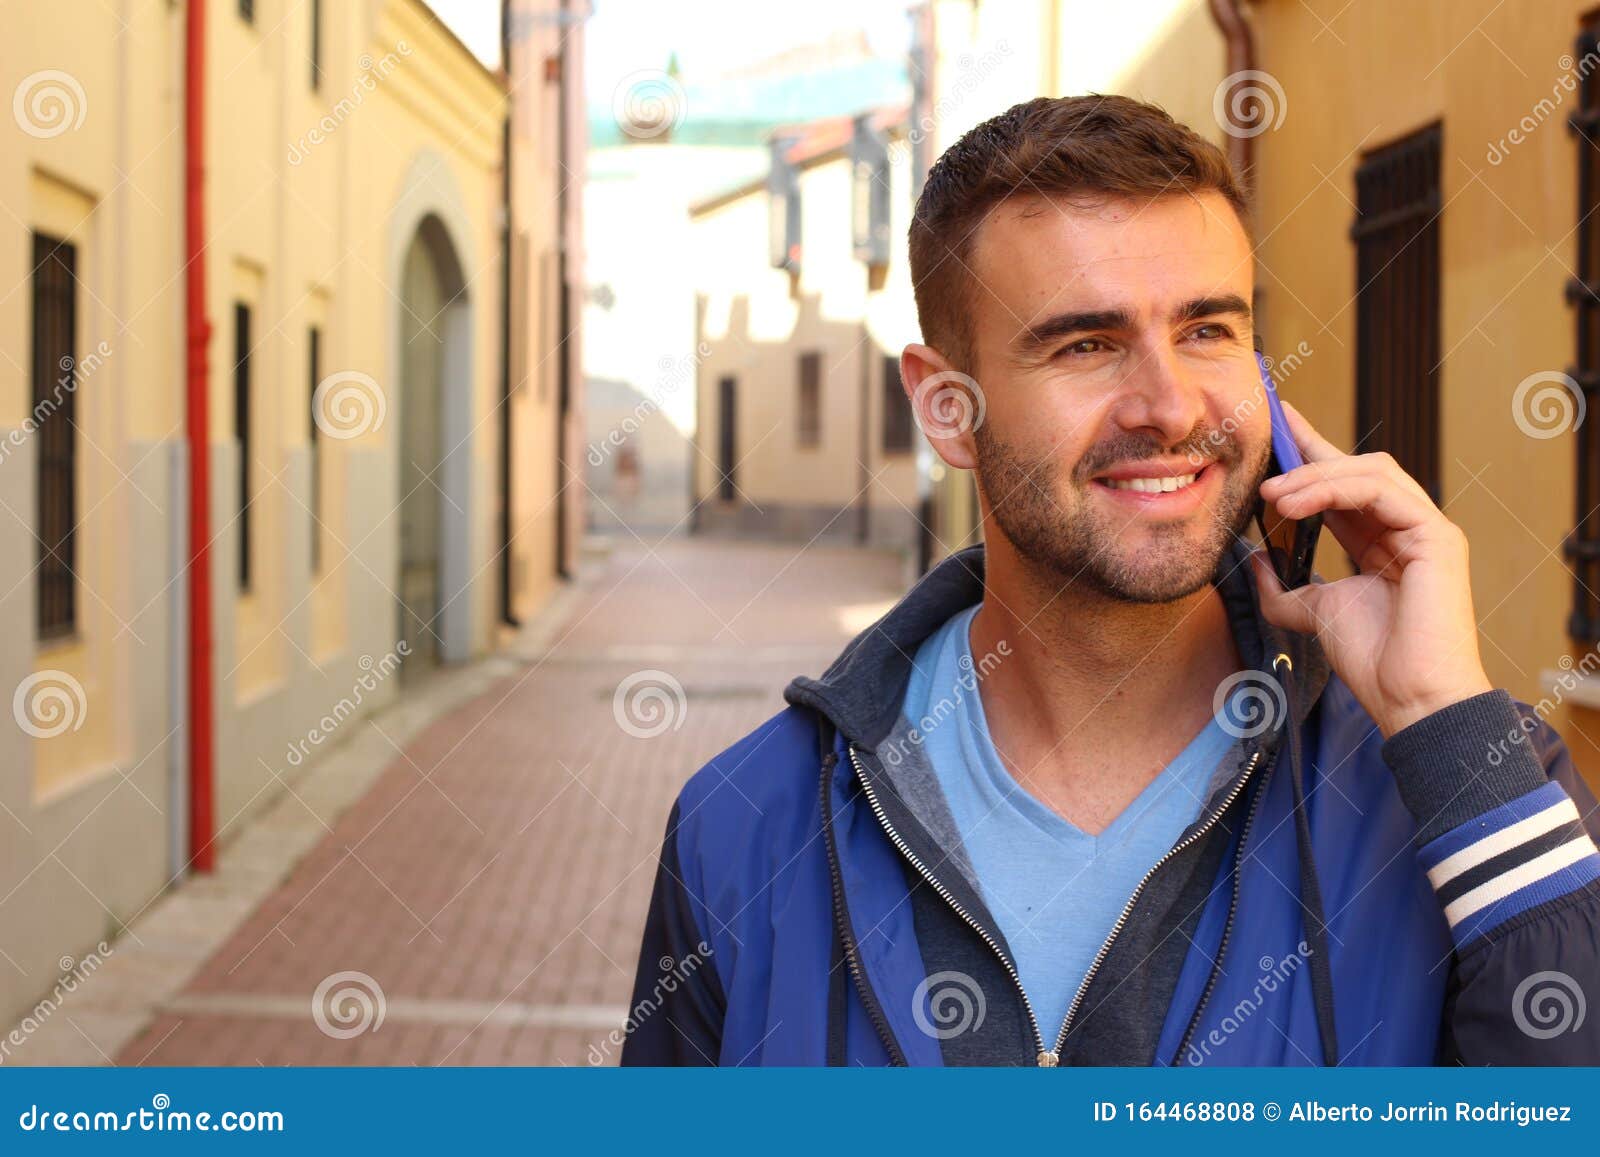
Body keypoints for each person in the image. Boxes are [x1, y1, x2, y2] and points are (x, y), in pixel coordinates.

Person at [620, 95, 1600, 1066]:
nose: (1170, 406)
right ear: (946, 404)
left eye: (1207, 330)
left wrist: (1440, 718)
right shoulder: (747, 828)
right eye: (1086, 344)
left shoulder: (1468, 781)